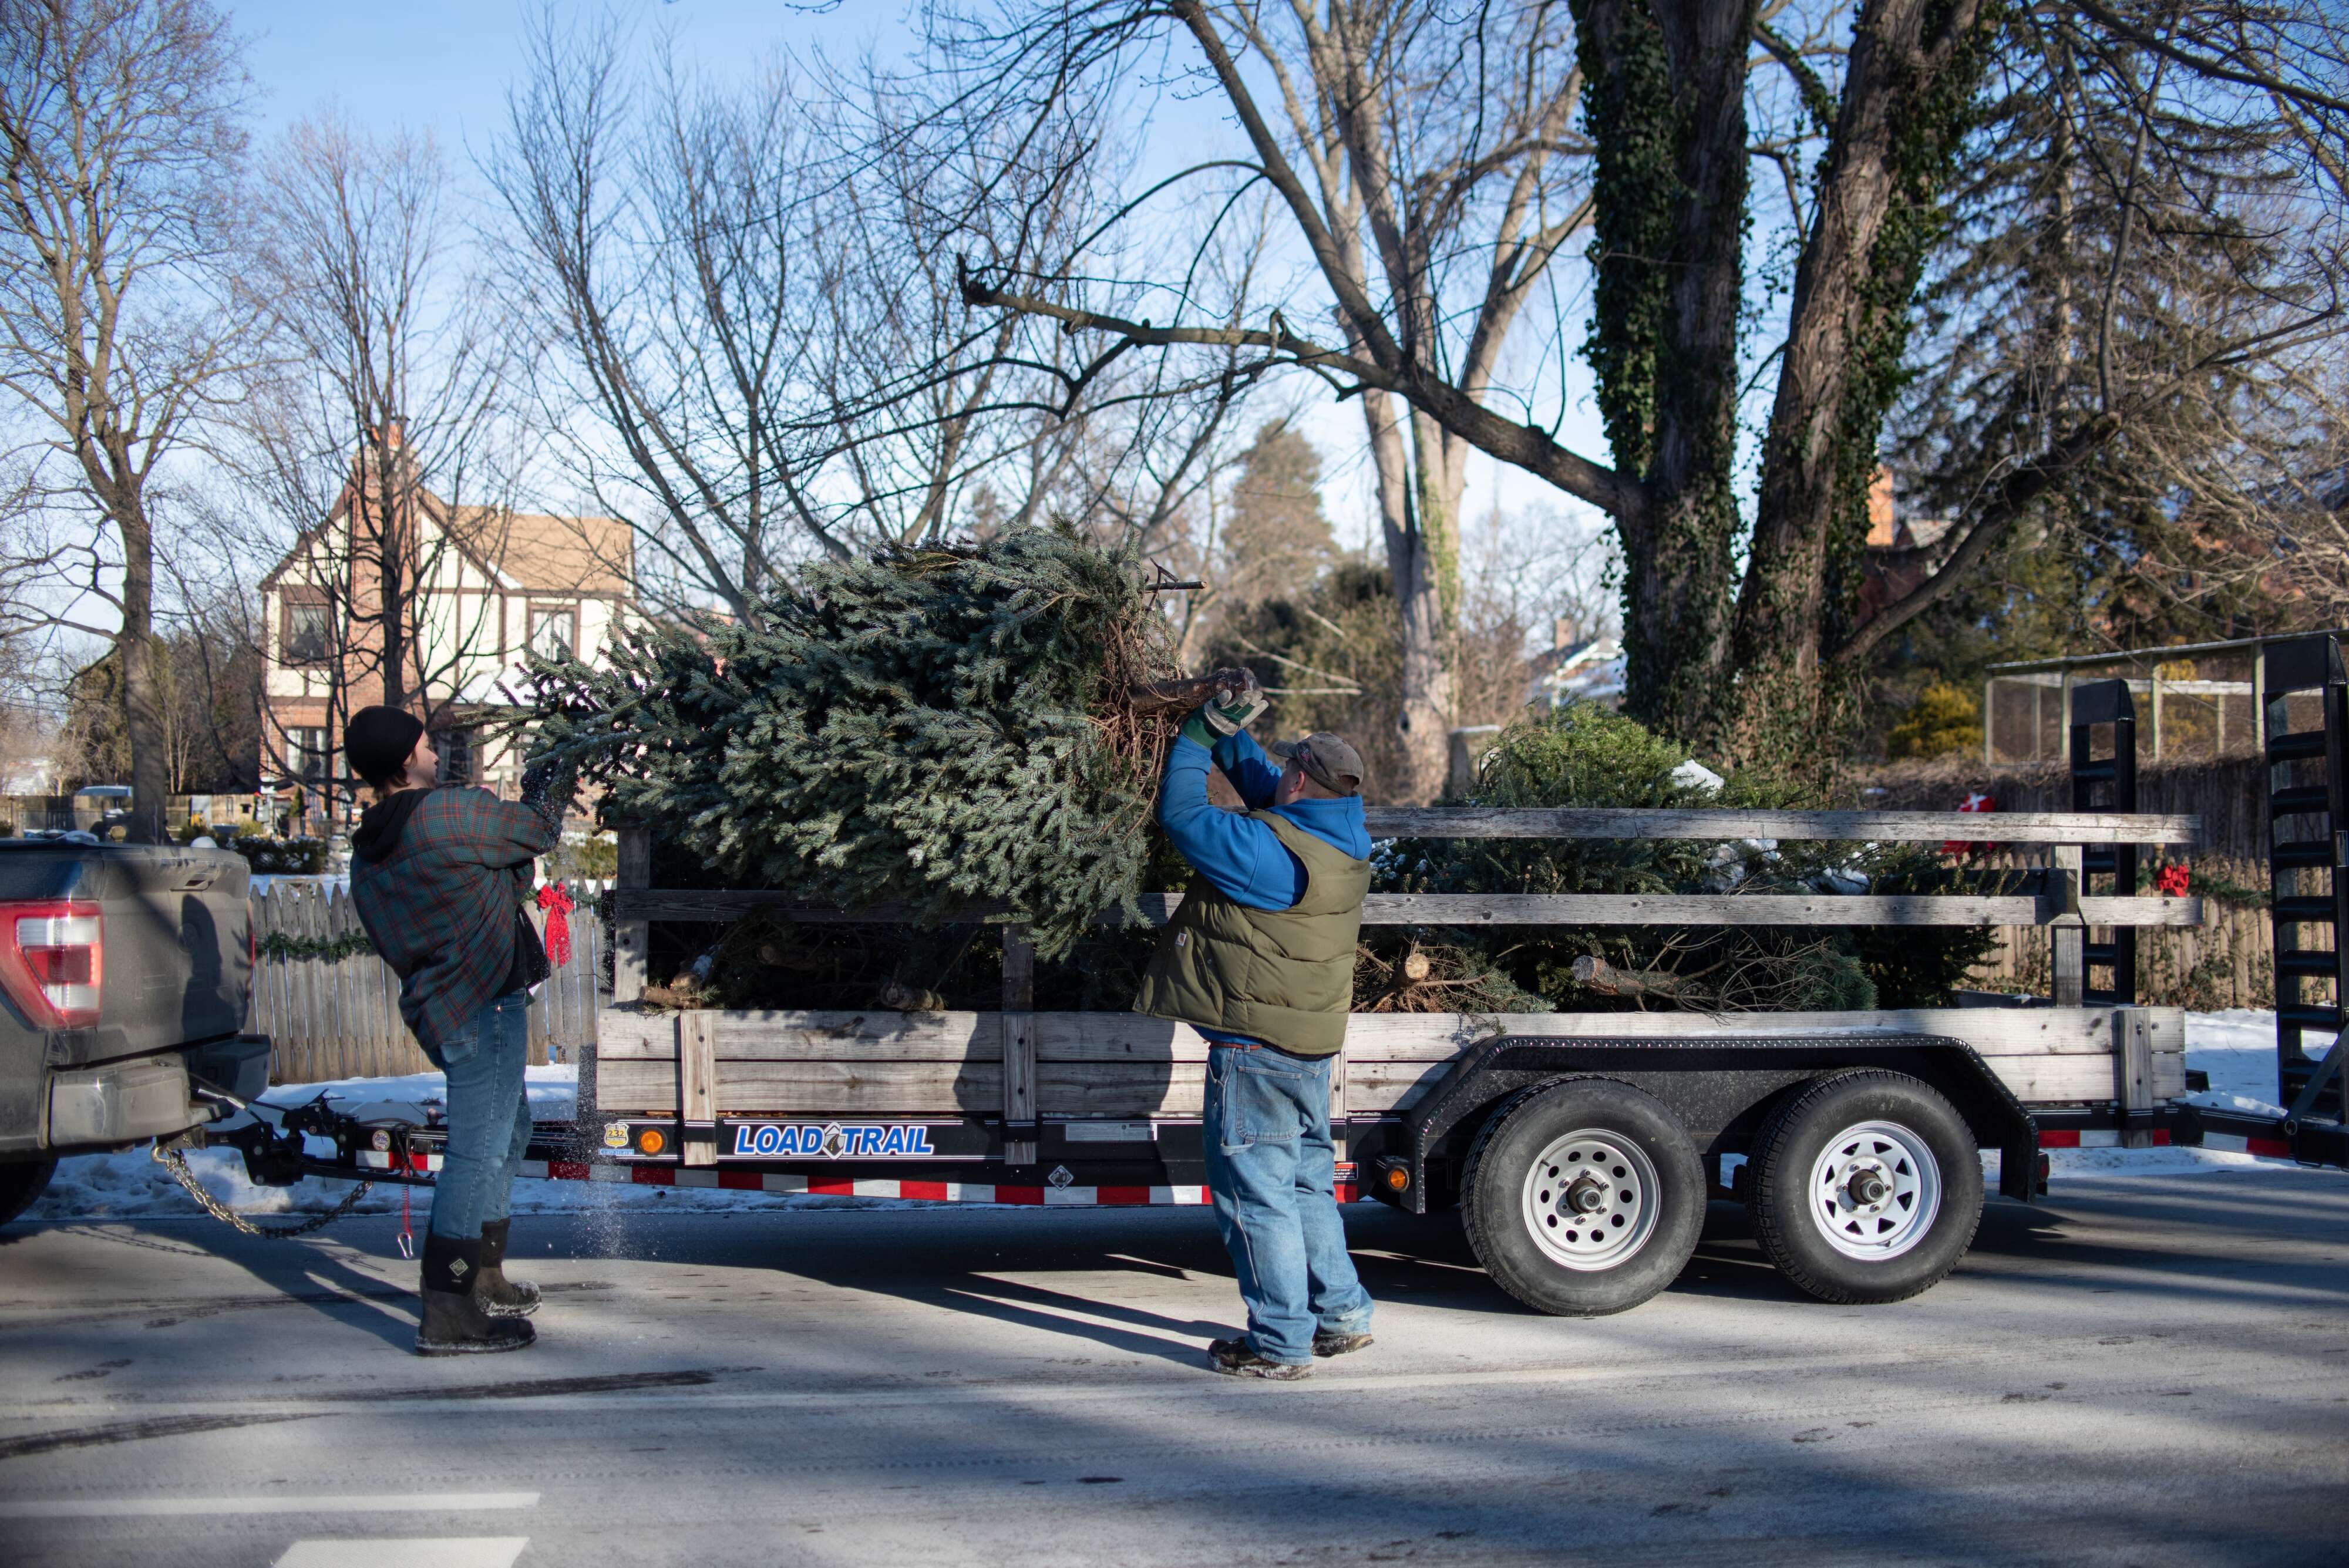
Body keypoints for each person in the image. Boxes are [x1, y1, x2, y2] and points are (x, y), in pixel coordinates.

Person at [1135, 676, 1375, 1379]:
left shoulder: (1270, 855)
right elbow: (1267, 785)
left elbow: (1183, 816)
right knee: (1304, 1187)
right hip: (1307, 1047)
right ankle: (1342, 1315)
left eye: (1286, 767)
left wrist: (1194, 740)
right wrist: (1227, 728)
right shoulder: (1343, 832)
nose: (1278, 773)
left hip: (1256, 1050)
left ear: (1299, 781)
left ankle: (1279, 1342)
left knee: (1256, 1198)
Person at [342, 706, 577, 1356]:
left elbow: (498, 875)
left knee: (512, 1128)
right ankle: (448, 1307)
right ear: (405, 758)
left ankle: (485, 1274)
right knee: (477, 1151)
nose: (431, 747)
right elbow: (536, 831)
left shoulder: (369, 850)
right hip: (484, 1005)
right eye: (423, 741)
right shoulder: (446, 814)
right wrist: (554, 768)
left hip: (441, 1008)